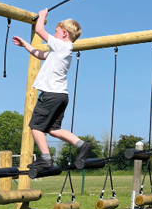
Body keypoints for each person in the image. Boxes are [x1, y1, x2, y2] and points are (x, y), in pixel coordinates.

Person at [11, 9, 94, 170]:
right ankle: (82, 145)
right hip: (61, 95)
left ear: (64, 33)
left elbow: (39, 30)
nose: (53, 35)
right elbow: (41, 55)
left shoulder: (61, 45)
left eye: (56, 32)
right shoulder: (62, 51)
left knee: (36, 126)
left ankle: (46, 159)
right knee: (53, 130)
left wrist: (42, 16)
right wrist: (25, 45)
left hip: (51, 94)